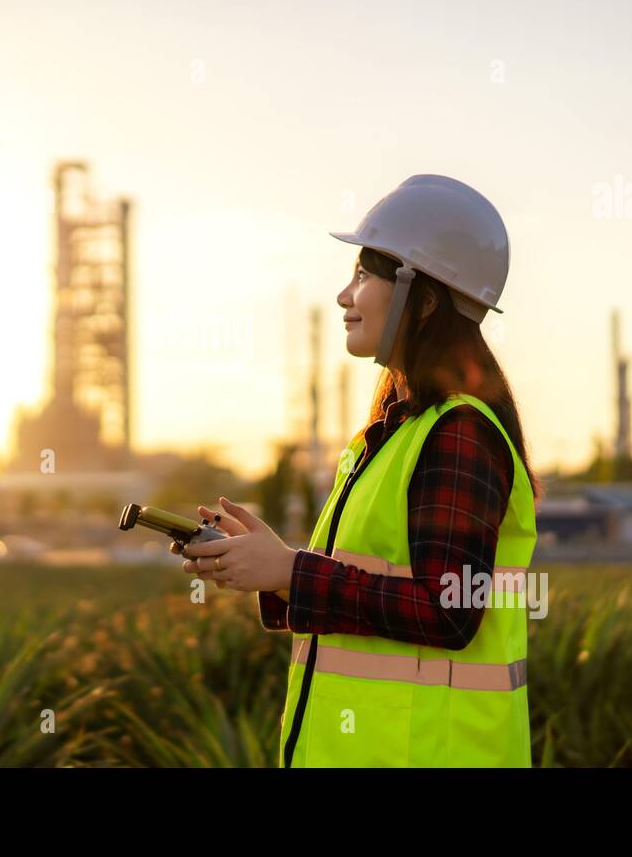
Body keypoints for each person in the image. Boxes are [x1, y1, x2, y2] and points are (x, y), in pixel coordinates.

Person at [173, 174, 542, 767]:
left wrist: (293, 571)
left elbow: (448, 610)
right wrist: (271, 569)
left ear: (423, 297)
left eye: (365, 275)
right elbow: (366, 590)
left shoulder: (459, 434)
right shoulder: (394, 431)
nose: (345, 296)